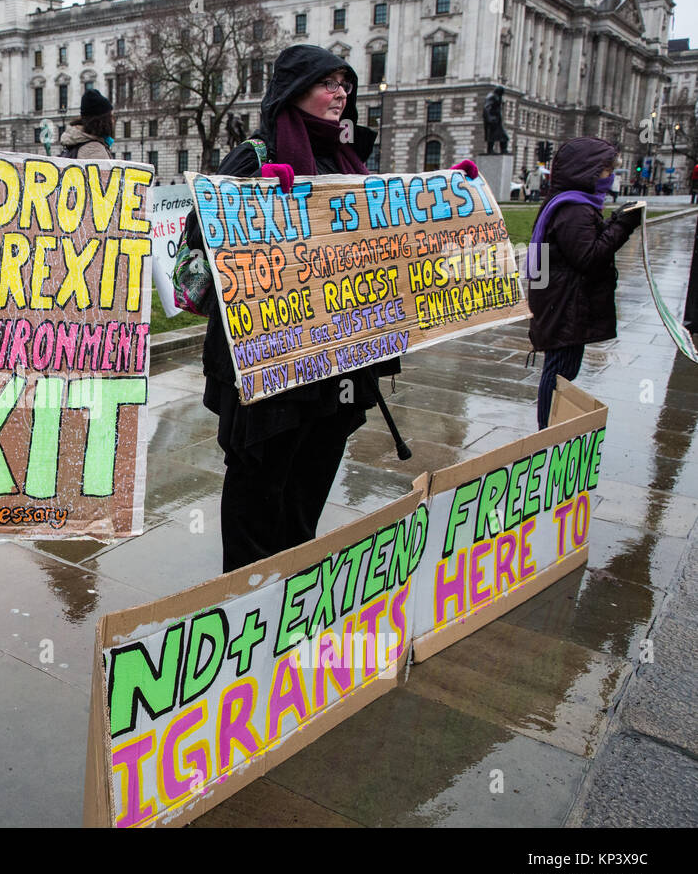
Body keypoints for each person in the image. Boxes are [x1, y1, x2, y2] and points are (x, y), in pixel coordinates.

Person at [183, 45, 474, 572]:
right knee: (259, 485)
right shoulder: (254, 153)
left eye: (345, 83)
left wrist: (449, 197)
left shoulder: (350, 159)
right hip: (269, 365)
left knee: (309, 482)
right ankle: (245, 591)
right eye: (327, 82)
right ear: (295, 91)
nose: (340, 92)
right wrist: (259, 209)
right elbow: (198, 244)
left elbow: (384, 243)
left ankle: (293, 579)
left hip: (336, 363)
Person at [526, 137, 642, 430]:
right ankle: (548, 434)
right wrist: (623, 225)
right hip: (566, 306)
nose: (609, 176)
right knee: (559, 374)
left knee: (562, 371)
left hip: (564, 303)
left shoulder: (573, 204)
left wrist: (614, 221)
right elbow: (589, 256)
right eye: (604, 170)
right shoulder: (573, 209)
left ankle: (551, 430)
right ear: (585, 171)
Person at [59, 89, 114, 159]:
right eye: (111, 117)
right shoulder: (94, 150)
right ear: (102, 121)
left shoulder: (77, 142)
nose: (113, 121)